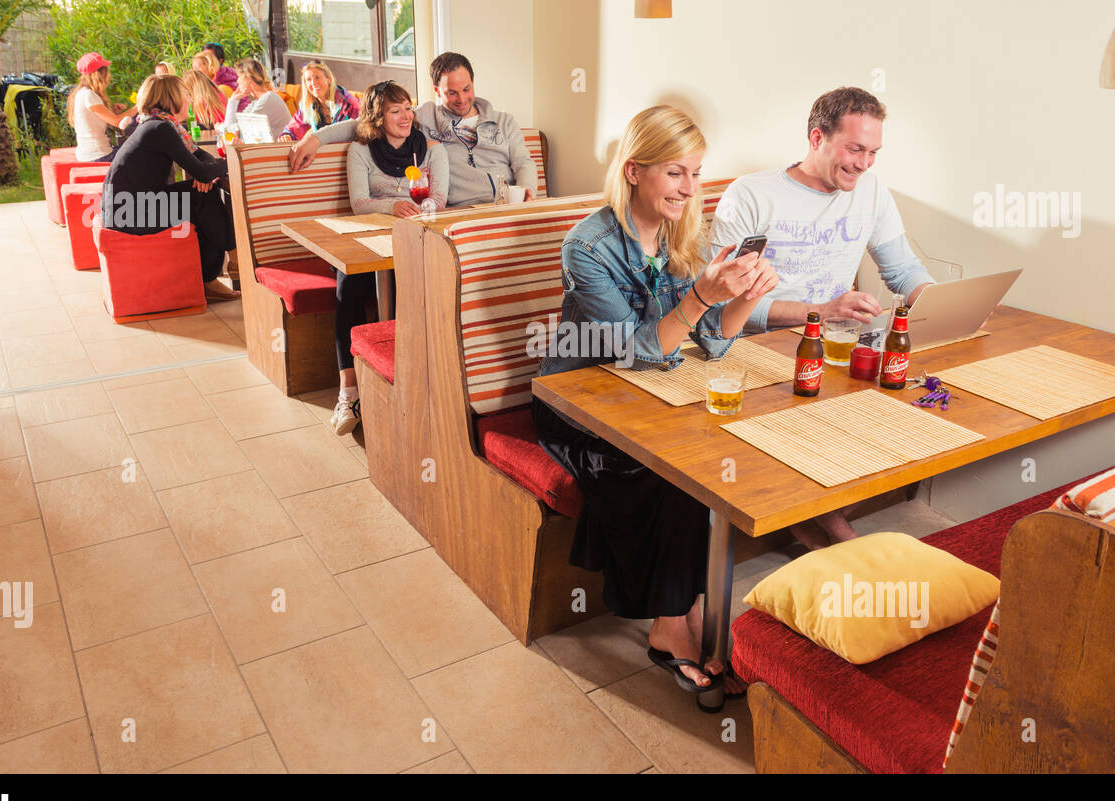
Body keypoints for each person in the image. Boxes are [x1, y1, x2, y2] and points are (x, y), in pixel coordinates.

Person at [534, 105, 778, 698]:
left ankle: (690, 612)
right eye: (676, 173)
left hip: (649, 391)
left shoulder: (682, 234)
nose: (690, 188)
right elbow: (635, 351)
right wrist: (697, 297)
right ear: (636, 171)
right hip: (581, 398)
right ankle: (673, 625)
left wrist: (744, 296)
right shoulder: (586, 247)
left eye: (696, 173)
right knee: (662, 469)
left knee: (703, 453)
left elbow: (713, 343)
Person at [710, 85, 935, 544]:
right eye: (854, 148)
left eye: (873, 152)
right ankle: (831, 534)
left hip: (834, 346)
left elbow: (902, 268)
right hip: (754, 348)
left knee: (922, 400)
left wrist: (938, 301)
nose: (863, 163)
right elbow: (720, 309)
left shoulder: (871, 191)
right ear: (817, 139)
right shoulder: (751, 194)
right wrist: (821, 309)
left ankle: (815, 522)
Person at [327, 81, 449, 435]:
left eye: (408, 108)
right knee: (347, 287)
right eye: (395, 111)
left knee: (416, 287)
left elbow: (439, 199)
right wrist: (392, 205)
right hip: (367, 238)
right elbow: (359, 203)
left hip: (416, 239)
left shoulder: (430, 150)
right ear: (378, 118)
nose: (405, 116)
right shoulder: (361, 151)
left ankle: (409, 386)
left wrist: (423, 205)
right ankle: (348, 393)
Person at [288, 52, 537, 207]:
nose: (461, 99)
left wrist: (527, 192)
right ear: (437, 90)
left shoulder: (504, 121)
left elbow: (524, 162)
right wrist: (315, 138)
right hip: (463, 211)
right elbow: (371, 122)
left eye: (467, 89)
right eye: (451, 92)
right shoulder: (424, 117)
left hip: (510, 207)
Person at [99, 74, 238, 302]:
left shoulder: (161, 125)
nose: (190, 99)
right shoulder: (159, 129)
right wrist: (231, 160)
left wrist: (210, 169)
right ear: (172, 98)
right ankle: (231, 260)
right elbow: (202, 170)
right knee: (203, 197)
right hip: (129, 213)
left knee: (203, 196)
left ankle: (215, 274)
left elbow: (200, 157)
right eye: (185, 94)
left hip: (132, 207)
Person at [67, 52, 133, 162]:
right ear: (99, 73)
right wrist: (140, 105)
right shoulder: (89, 95)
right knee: (143, 156)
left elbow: (95, 121)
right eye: (107, 71)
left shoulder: (81, 93)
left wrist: (112, 112)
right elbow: (117, 122)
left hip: (90, 154)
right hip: (99, 156)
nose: (109, 75)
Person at [277, 61, 360, 142]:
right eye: (309, 80)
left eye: (317, 77)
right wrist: (286, 135)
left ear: (329, 79)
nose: (313, 83)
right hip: (323, 152)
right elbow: (293, 128)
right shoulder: (308, 105)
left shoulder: (350, 104)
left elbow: (361, 131)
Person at [223, 57, 291, 141]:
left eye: (239, 77)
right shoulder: (256, 102)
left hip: (279, 151)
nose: (237, 81)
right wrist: (234, 99)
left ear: (249, 79)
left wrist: (233, 101)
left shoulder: (267, 100)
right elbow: (230, 131)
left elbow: (236, 132)